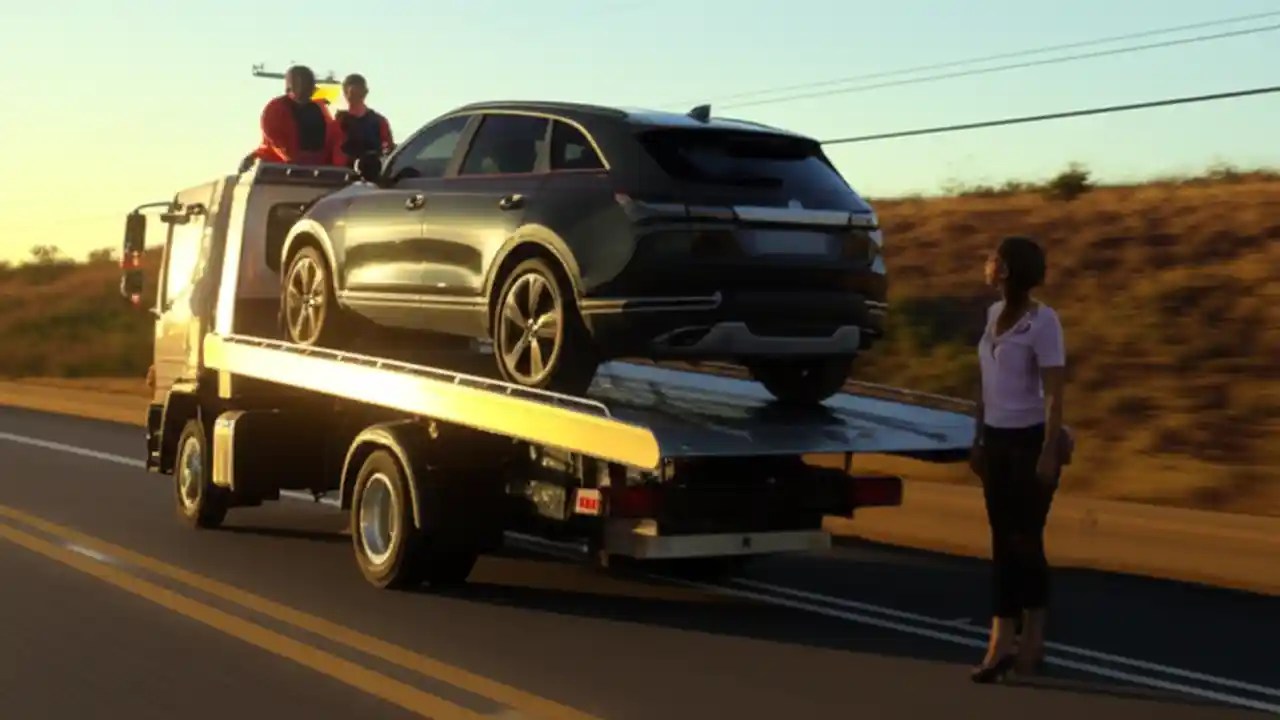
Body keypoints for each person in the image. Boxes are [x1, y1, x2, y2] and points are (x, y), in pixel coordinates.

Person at [968, 235, 1070, 683]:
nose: (987, 262)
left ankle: (1031, 641)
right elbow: (983, 383)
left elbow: (1054, 392)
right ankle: (1000, 640)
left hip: (1029, 441)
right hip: (995, 440)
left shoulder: (1044, 322)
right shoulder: (993, 317)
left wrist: (1050, 448)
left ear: (1006, 270)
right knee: (1001, 539)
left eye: (994, 258)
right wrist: (977, 439)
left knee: (1024, 540)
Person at [243, 65, 339, 170]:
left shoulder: (319, 109)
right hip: (277, 168)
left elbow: (331, 140)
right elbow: (280, 146)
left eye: (308, 84)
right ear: (288, 87)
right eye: (299, 84)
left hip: (315, 170)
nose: (304, 88)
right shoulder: (276, 110)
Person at [332, 73, 394, 168]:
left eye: (357, 92)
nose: (353, 96)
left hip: (371, 172)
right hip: (345, 173)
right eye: (350, 93)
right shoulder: (338, 122)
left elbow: (389, 150)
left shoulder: (379, 121)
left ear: (365, 92)